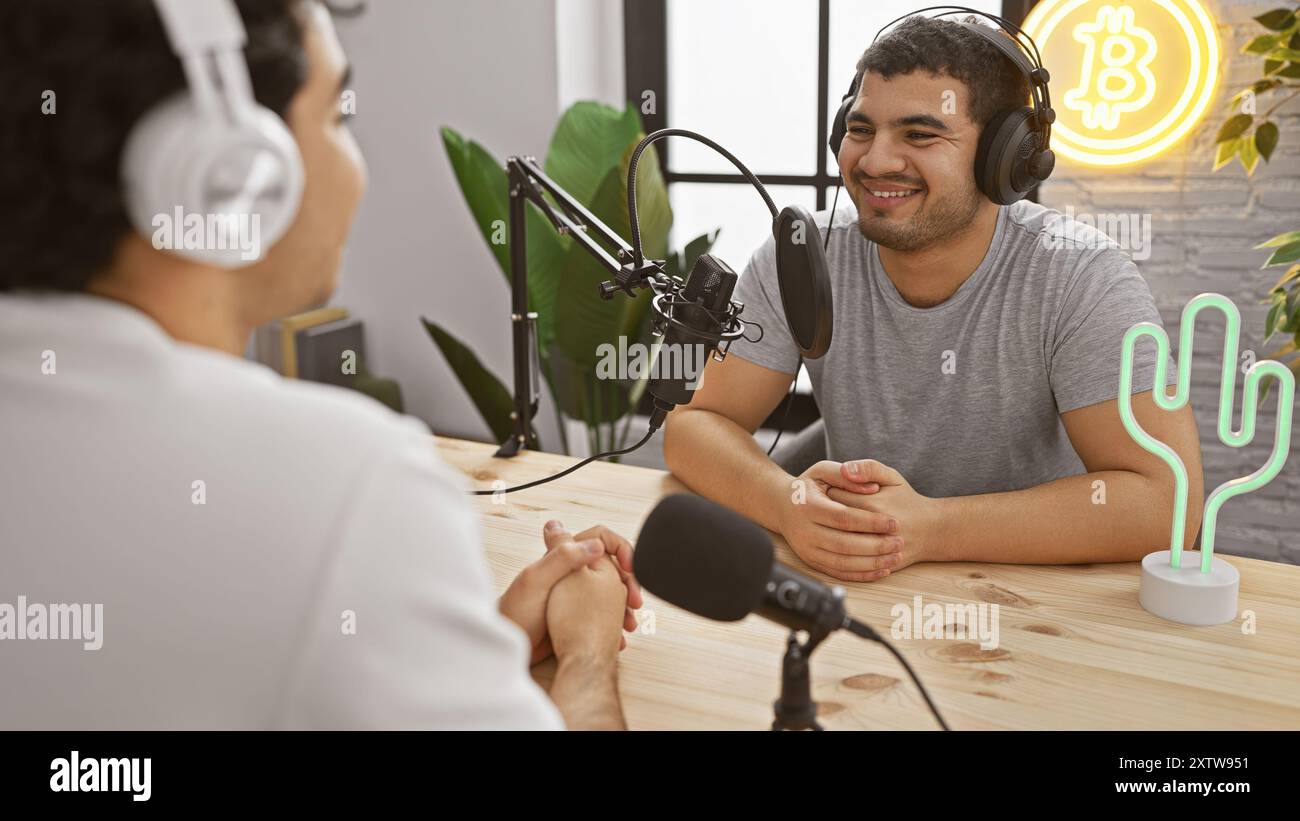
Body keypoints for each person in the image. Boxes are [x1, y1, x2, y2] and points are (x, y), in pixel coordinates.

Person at [0, 0, 635, 730]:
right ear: (229, 170)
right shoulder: (348, 485)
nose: (355, 163)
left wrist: (459, 639)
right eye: (338, 117)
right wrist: (588, 648)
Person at [664, 16, 1205, 582]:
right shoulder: (802, 255)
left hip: (1033, 602)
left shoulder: (1082, 279)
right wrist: (787, 503)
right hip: (859, 587)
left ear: (1005, 156)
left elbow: (1169, 505)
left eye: (919, 135)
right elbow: (694, 424)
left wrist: (930, 528)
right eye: (861, 129)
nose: (875, 161)